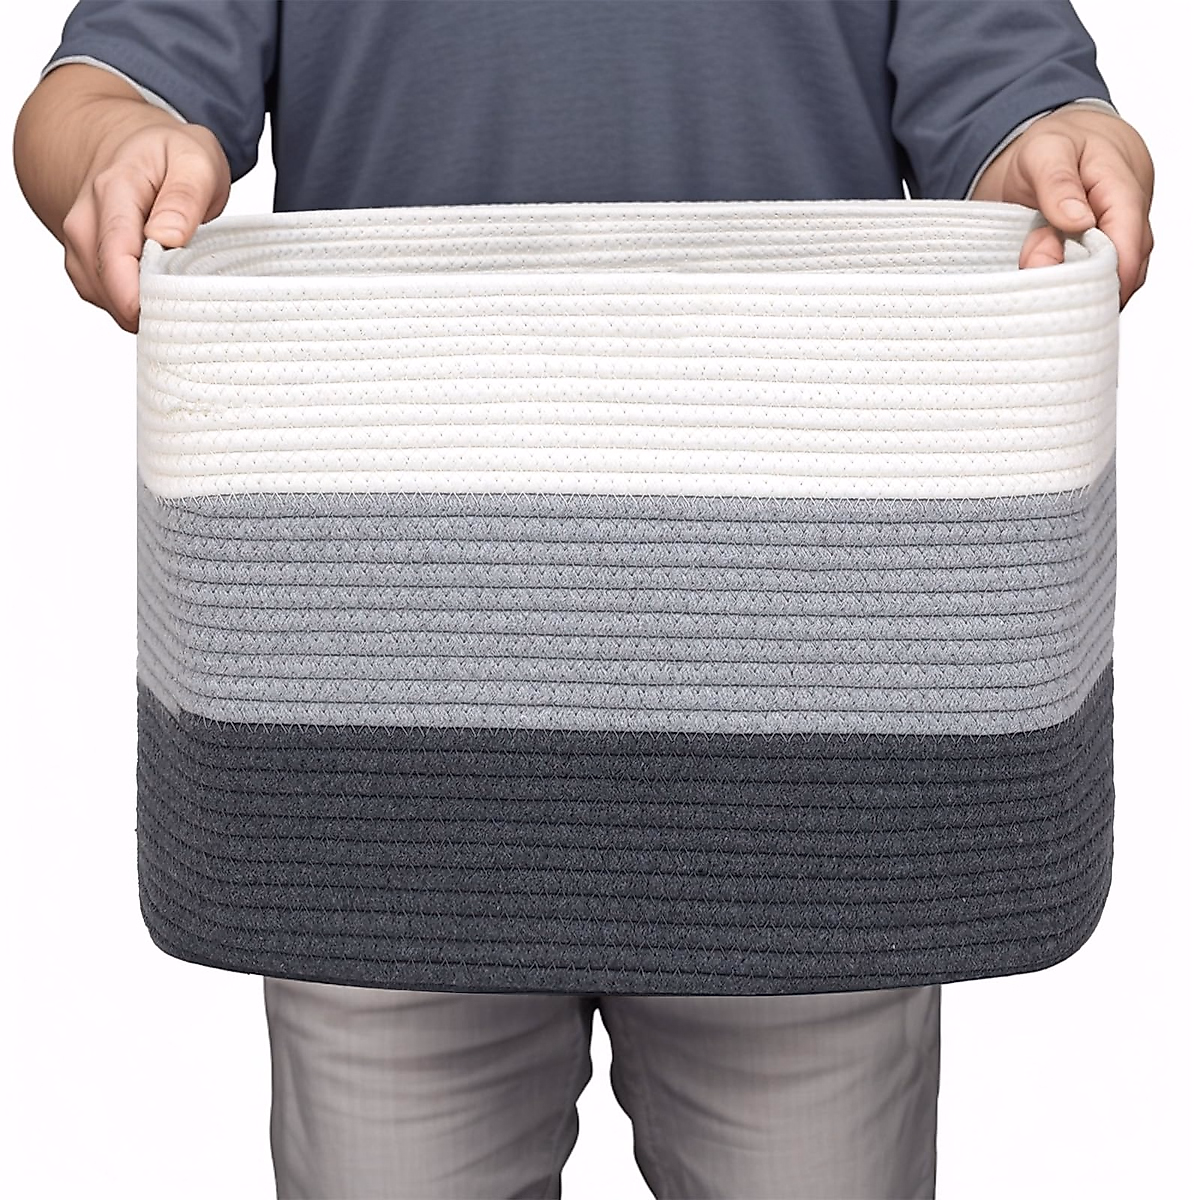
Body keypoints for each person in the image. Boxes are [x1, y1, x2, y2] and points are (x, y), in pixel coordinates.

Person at [12, 4, 1154, 1198]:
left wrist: (1062, 150)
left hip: (811, 781)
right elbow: (93, 94)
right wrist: (114, 149)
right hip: (375, 783)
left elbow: (1016, 104)